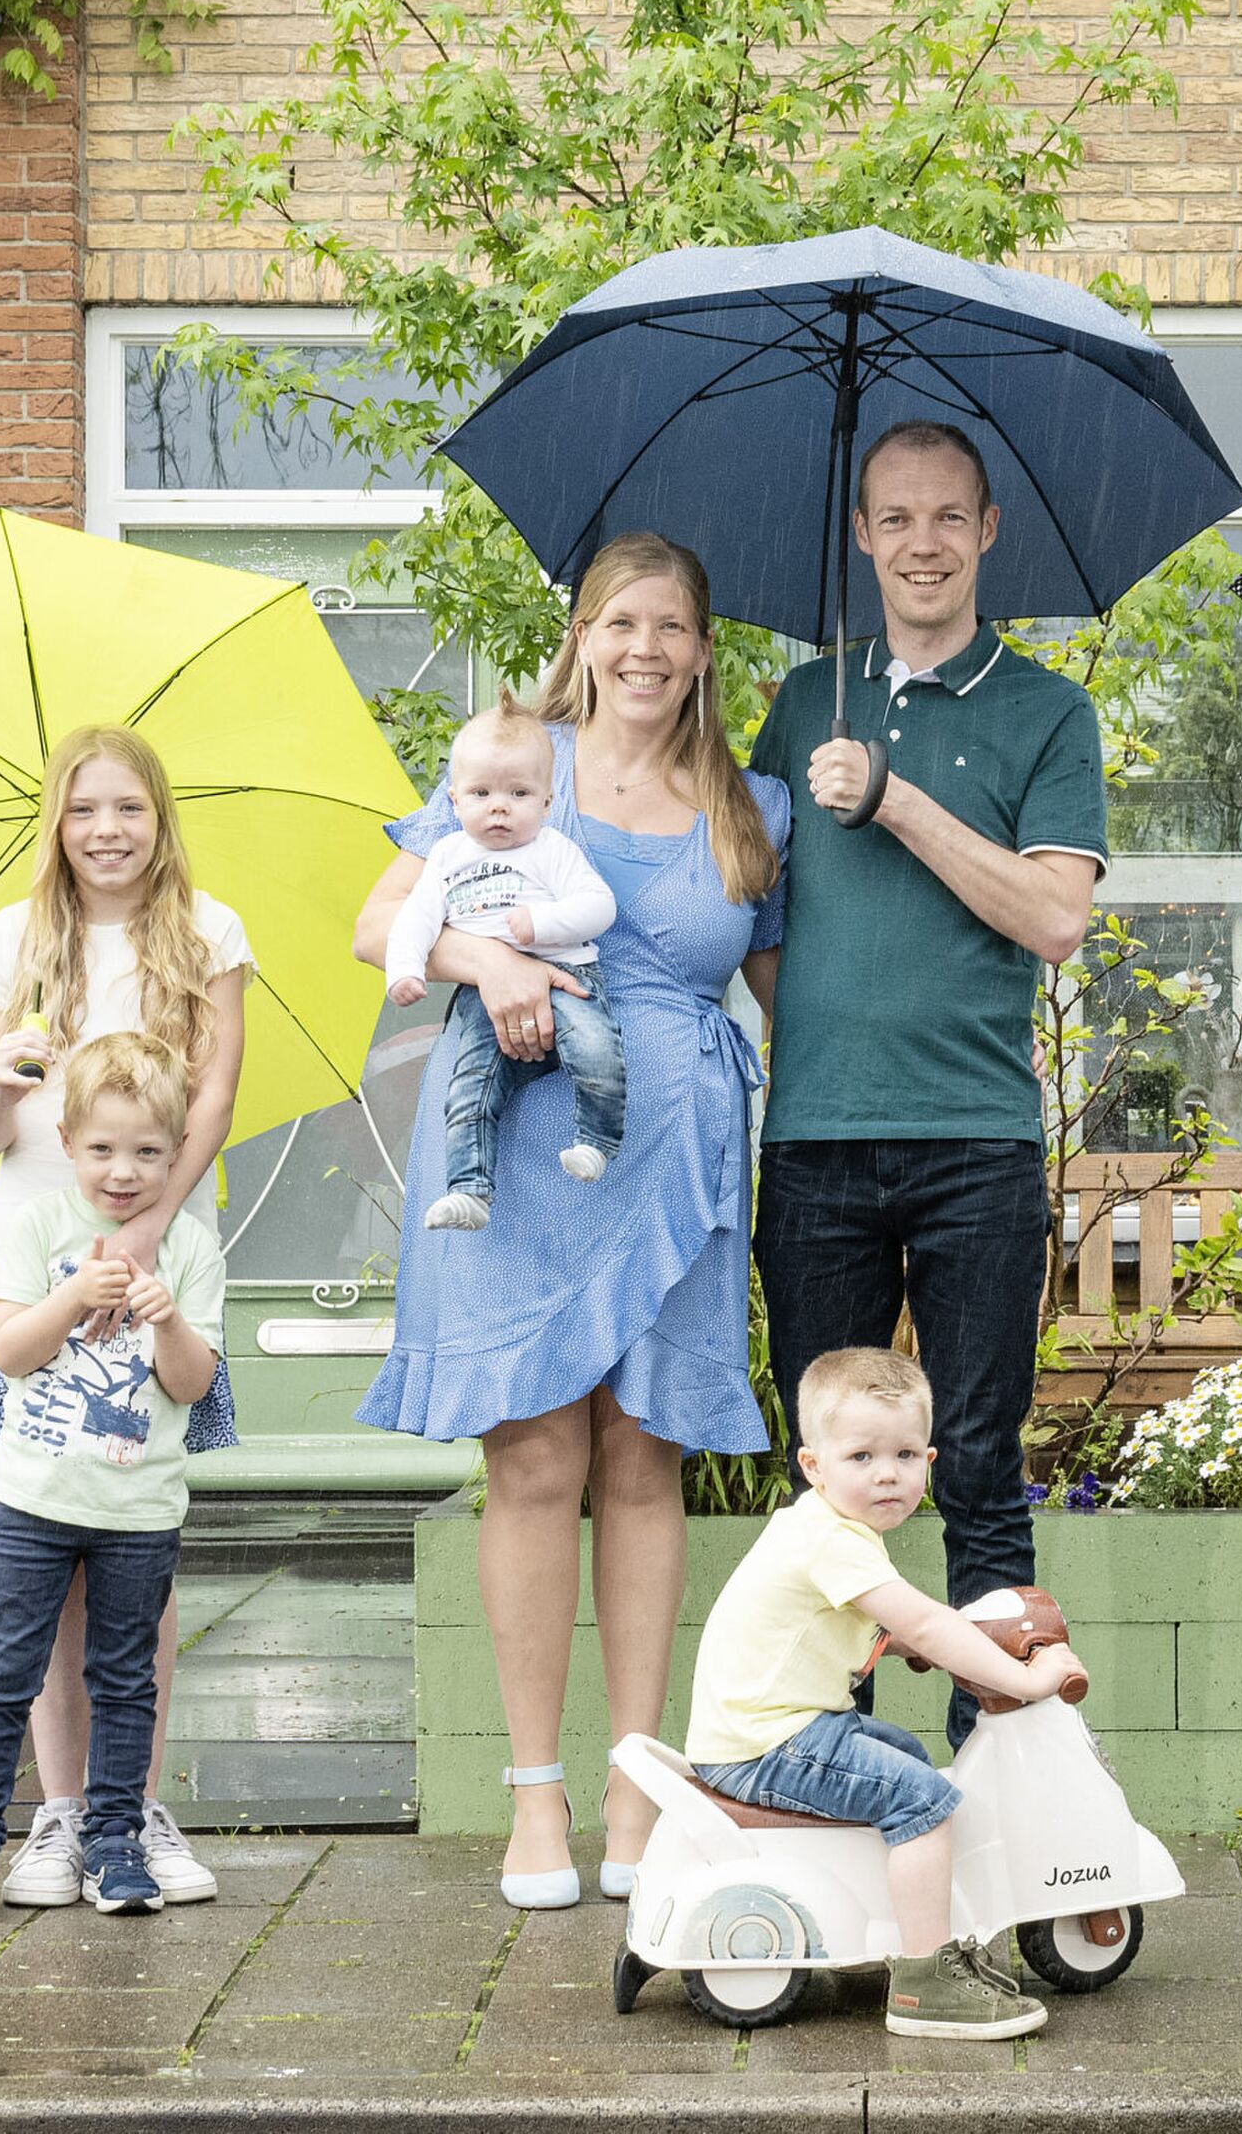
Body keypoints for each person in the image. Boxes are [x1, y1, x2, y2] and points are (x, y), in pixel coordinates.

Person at [353, 533, 788, 1910]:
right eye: (618, 623)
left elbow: (783, 990)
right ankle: (535, 1794)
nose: (643, 649)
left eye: (669, 625)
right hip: (517, 1143)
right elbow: (383, 923)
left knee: (645, 1464)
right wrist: (487, 956)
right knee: (536, 1462)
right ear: (582, 639)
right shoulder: (514, 764)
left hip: (676, 1158)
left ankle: (635, 1785)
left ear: (704, 648)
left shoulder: (747, 802)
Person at [748, 418, 1103, 1749]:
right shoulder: (800, 703)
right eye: (896, 519)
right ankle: (824, 1759)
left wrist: (895, 800)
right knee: (833, 1489)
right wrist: (831, 1035)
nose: (923, 544)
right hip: (819, 1146)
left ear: (988, 530)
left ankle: (997, 1760)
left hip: (975, 1147)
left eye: (948, 517)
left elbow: (1054, 919)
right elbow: (760, 921)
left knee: (978, 1471)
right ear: (861, 536)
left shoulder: (1048, 710)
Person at [0, 722, 250, 1909]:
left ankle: (134, 1804)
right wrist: (7, 1078)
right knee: (47, 1550)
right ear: (56, 825)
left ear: (158, 817)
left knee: (136, 1555)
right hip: (37, 1261)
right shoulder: (11, 943)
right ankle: (60, 1814)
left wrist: (143, 1230)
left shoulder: (208, 931)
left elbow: (215, 1097)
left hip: (161, 1258)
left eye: (128, 807)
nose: (107, 830)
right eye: (84, 810)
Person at [0, 1035, 230, 1923]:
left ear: (177, 1155)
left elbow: (191, 1384)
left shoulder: (192, 1250)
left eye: (147, 1154)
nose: (123, 1172)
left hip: (139, 1508)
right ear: (65, 1142)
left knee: (128, 1678)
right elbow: (11, 1351)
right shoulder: (37, 1230)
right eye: (102, 1149)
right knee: (3, 1673)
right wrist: (74, 1297)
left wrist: (165, 1320)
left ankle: (117, 1841)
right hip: (36, 1502)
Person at [687, 1347, 1079, 2041]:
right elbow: (924, 1619)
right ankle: (926, 1985)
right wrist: (1023, 1679)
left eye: (903, 1455)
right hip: (767, 1743)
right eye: (861, 1457)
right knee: (922, 1799)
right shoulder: (837, 1544)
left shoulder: (824, 1528)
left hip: (774, 1728)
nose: (886, 1474)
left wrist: (914, 1645)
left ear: (929, 1463)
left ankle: (893, 1925)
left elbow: (882, 1627)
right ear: (814, 1466)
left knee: (900, 1752)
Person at [383, 693, 624, 1229]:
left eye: (518, 793)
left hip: (568, 978)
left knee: (596, 1051)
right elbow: (415, 918)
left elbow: (599, 907)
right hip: (481, 997)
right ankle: (468, 1187)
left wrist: (541, 925)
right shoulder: (447, 856)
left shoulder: (552, 850)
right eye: (481, 792)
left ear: (546, 801)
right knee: (471, 1084)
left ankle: (596, 1139)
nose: (499, 806)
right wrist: (404, 968)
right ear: (453, 799)